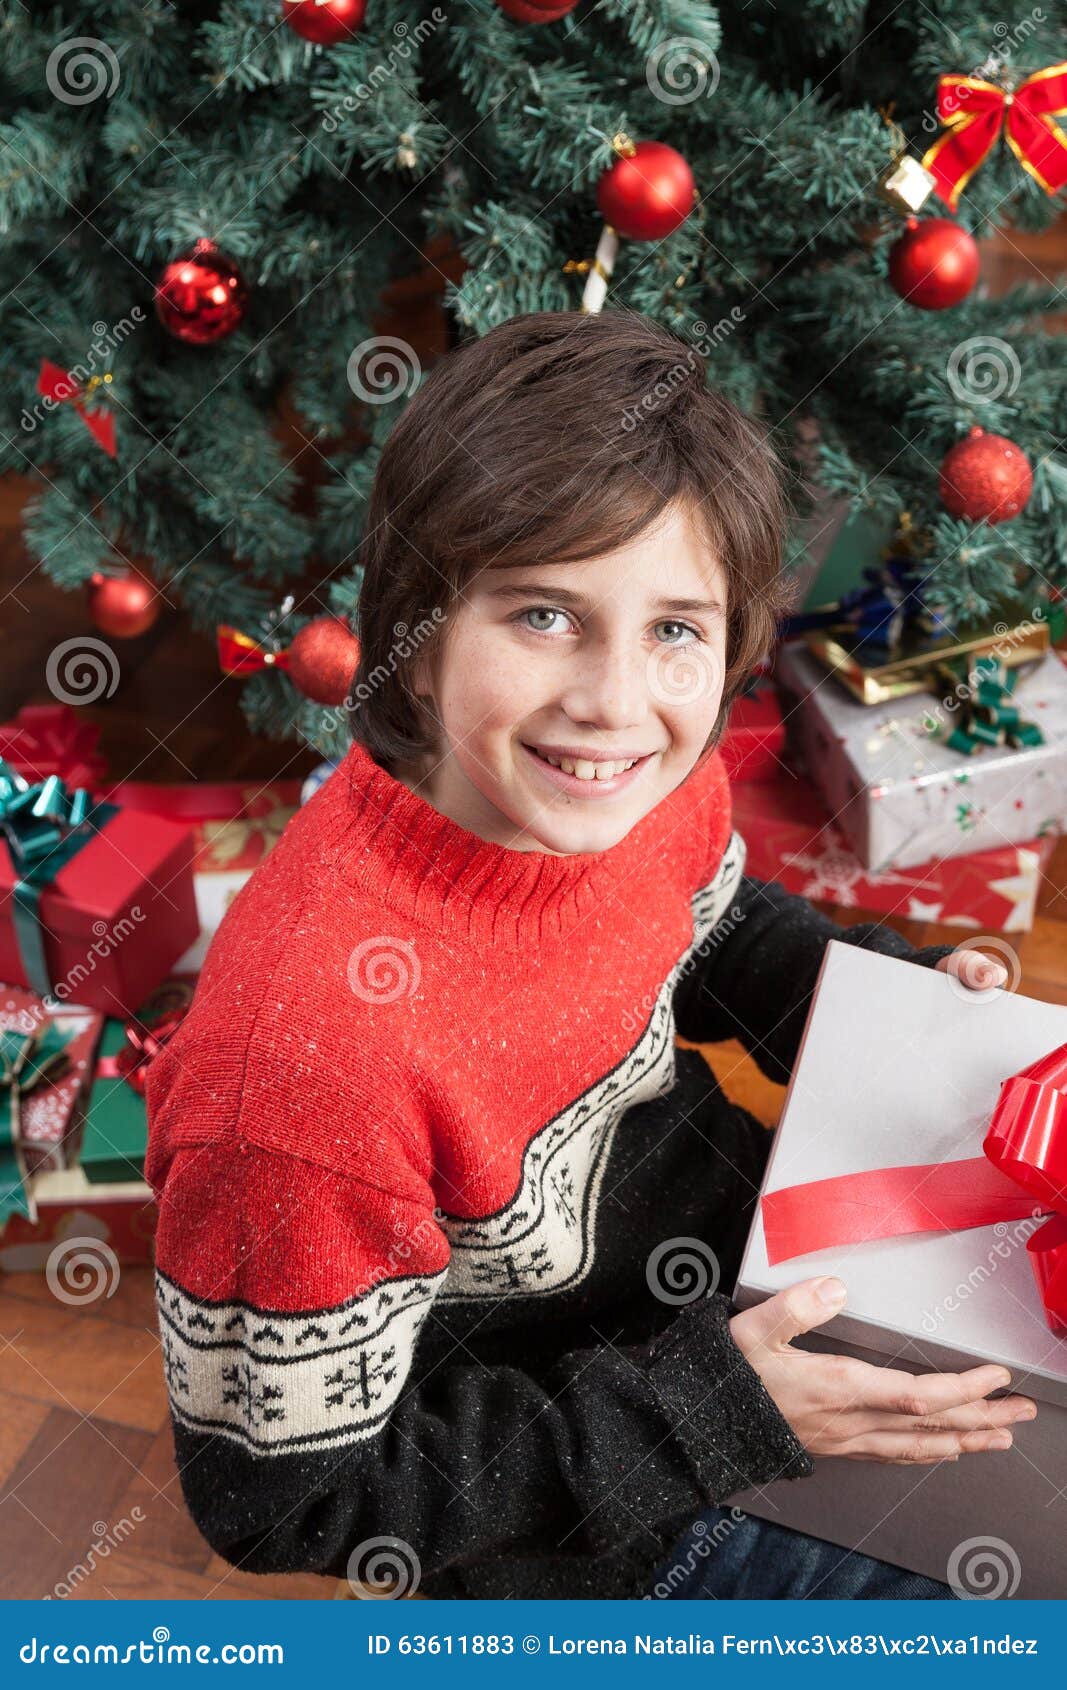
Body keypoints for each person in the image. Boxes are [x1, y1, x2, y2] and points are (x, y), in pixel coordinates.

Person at [143, 310, 1034, 1603]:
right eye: (547, 614)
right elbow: (282, 1499)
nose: (617, 701)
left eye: (677, 627)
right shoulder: (302, 1070)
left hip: (756, 1297)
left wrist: (892, 994)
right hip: (603, 1536)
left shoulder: (622, 786)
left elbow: (717, 929)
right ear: (421, 620)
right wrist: (708, 1412)